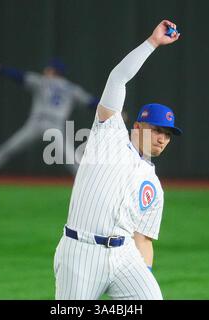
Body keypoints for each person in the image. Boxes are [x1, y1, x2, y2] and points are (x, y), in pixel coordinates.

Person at [53, 20, 182, 300]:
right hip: (81, 251)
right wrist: (152, 42)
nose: (162, 138)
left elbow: (144, 239)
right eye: (157, 130)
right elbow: (118, 78)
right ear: (137, 127)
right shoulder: (109, 133)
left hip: (124, 256)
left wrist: (143, 274)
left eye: (168, 134)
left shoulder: (153, 186)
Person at [0, 55, 99, 182]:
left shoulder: (42, 81)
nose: (46, 70)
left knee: (7, 149)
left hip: (37, 123)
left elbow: (18, 76)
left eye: (49, 68)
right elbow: (92, 103)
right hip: (54, 126)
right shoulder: (71, 88)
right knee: (71, 158)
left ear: (52, 70)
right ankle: (87, 184)